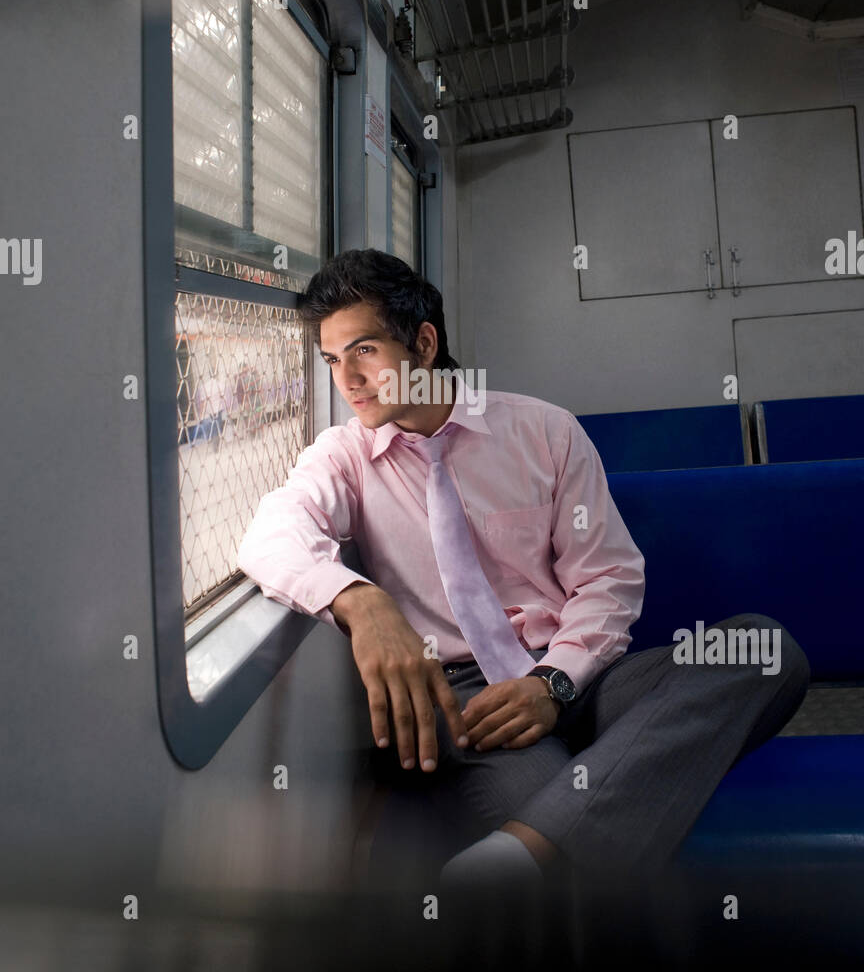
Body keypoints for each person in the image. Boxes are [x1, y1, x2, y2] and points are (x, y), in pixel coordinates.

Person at [235, 248, 810, 932]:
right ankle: (550, 842)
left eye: (364, 350)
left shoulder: (543, 431)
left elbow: (607, 579)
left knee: (764, 649)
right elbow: (268, 536)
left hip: (580, 676)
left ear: (424, 343)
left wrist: (553, 682)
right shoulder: (344, 456)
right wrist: (360, 600)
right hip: (469, 703)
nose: (347, 380)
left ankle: (536, 844)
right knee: (549, 792)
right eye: (332, 359)